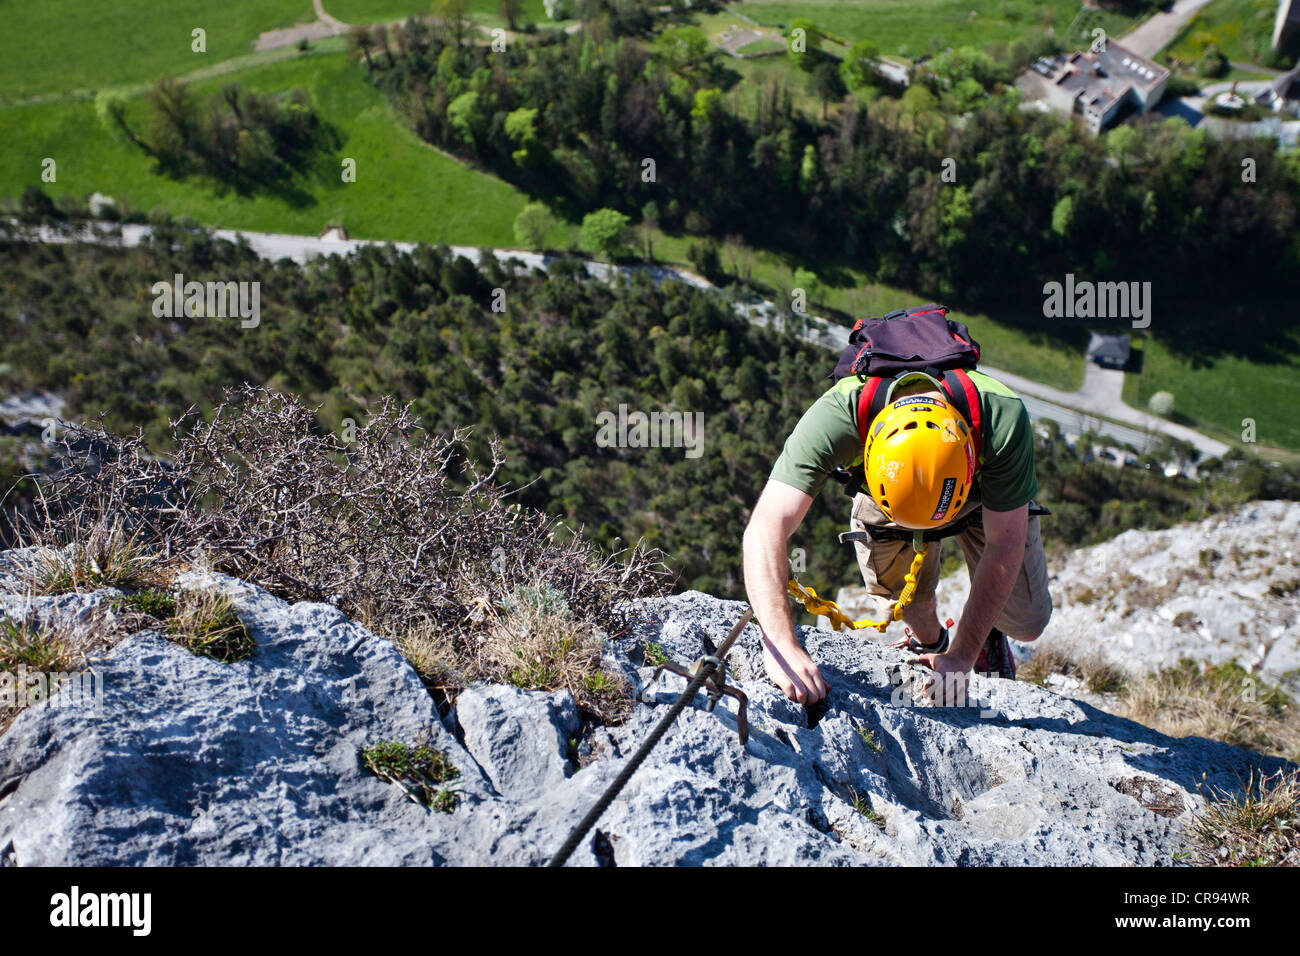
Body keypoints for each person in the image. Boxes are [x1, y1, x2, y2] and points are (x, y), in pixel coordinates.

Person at [742, 366, 1052, 705]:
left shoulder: (1000, 416)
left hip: (978, 496)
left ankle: (987, 633)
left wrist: (964, 653)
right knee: (909, 602)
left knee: (1027, 623)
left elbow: (1004, 542)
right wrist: (780, 643)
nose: (927, 532)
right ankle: (930, 644)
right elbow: (765, 526)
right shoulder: (837, 417)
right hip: (889, 496)